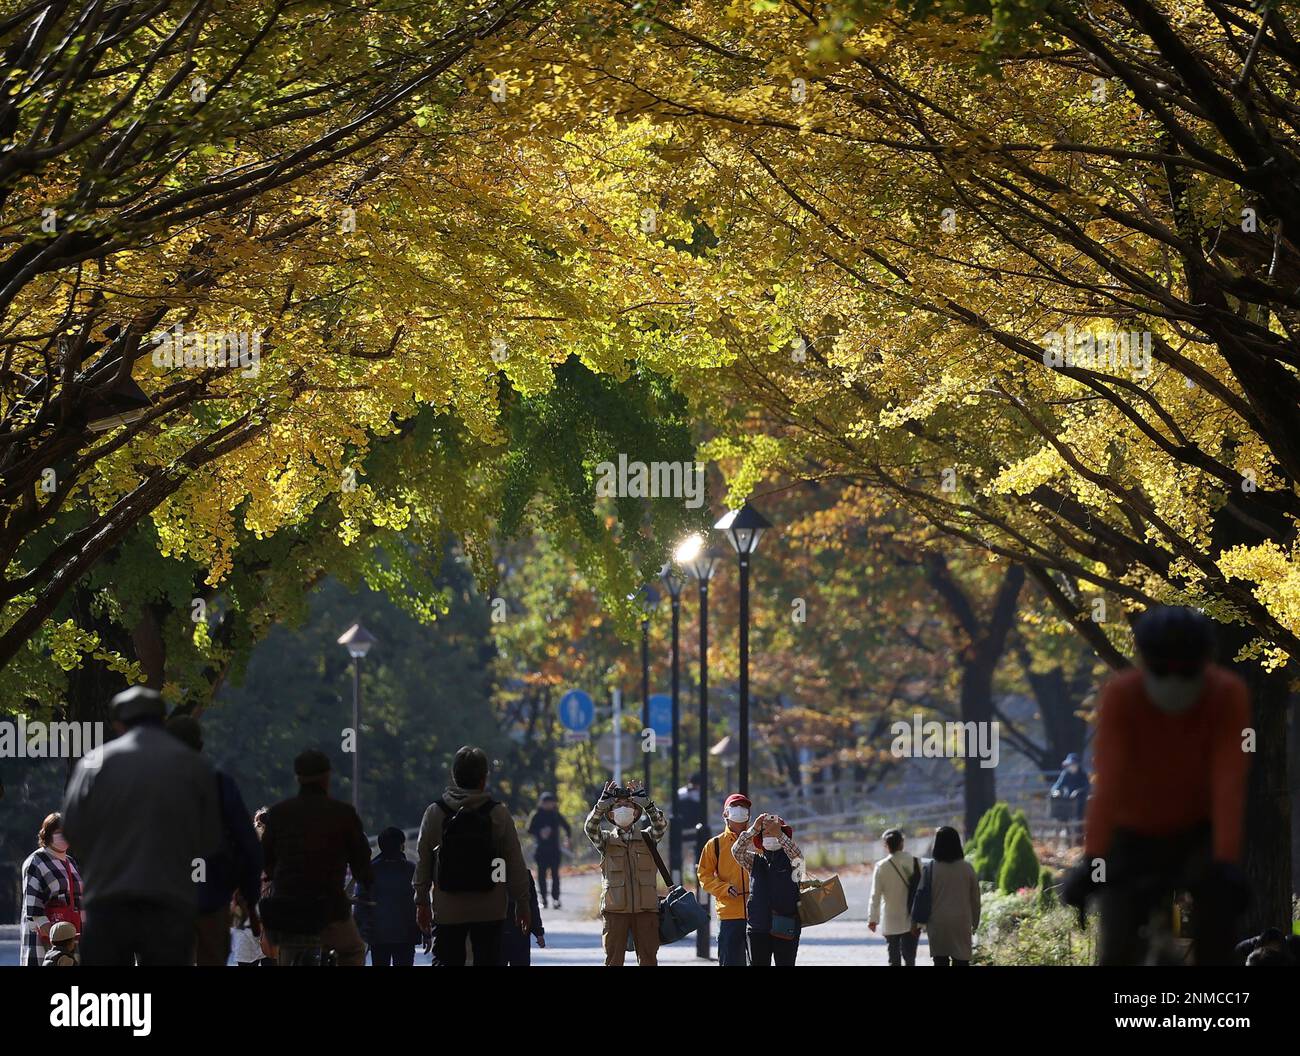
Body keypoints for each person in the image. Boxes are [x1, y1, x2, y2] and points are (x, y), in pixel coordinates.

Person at [1061, 607, 1252, 966]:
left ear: (1206, 662)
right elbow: (1109, 785)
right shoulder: (1122, 696)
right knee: (1117, 944)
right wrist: (1093, 860)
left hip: (1198, 829)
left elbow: (1228, 783)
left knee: (1216, 935)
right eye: (1162, 668)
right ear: (1145, 662)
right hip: (1132, 830)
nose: (1174, 679)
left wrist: (1226, 860)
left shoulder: (1228, 695)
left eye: (1187, 669)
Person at [61, 686, 222, 966]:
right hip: (169, 901)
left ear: (118, 723)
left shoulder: (94, 763)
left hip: (108, 899)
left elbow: (73, 830)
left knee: (109, 1006)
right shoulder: (193, 766)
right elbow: (210, 837)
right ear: (163, 719)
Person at [414, 745, 530, 967]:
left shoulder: (435, 812)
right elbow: (515, 863)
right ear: (483, 779)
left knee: (447, 961)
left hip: (448, 909)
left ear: (454, 776)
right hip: (491, 908)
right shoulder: (498, 813)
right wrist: (522, 902)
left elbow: (423, 861)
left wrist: (421, 902)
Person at [260, 749, 374, 966]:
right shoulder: (343, 813)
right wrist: (366, 879)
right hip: (329, 907)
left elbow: (266, 859)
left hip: (287, 908)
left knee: (285, 952)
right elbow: (361, 860)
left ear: (298, 777)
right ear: (327, 776)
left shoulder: (279, 813)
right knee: (354, 950)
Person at [166, 715, 263, 965]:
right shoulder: (220, 783)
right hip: (212, 897)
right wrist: (249, 895)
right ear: (200, 745)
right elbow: (248, 844)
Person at [584, 778, 667, 966]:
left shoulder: (647, 838)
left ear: (636, 811)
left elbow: (660, 826)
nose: (623, 809)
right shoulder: (606, 841)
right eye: (618, 806)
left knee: (648, 960)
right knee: (613, 960)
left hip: (646, 911)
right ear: (611, 815)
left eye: (628, 805)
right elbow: (590, 828)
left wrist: (647, 803)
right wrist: (600, 805)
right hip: (615, 912)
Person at [731, 811, 804, 966]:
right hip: (757, 927)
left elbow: (798, 858)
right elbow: (736, 851)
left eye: (773, 831)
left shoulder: (792, 859)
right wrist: (754, 829)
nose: (770, 835)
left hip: (786, 925)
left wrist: (780, 834)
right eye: (766, 833)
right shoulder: (754, 860)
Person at [20, 813, 84, 967]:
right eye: (58, 832)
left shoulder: (70, 862)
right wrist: (56, 941)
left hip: (70, 936)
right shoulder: (36, 861)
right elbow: (34, 909)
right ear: (47, 834)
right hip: (46, 937)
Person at [696, 792, 752, 965]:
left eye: (744, 807)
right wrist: (724, 889)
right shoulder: (715, 844)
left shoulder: (757, 841)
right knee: (730, 961)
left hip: (757, 913)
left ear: (749, 815)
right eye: (735, 807)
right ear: (725, 814)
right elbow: (704, 876)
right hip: (729, 914)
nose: (740, 810)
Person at [355, 826, 421, 966]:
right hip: (406, 934)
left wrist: (362, 930)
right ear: (402, 846)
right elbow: (420, 901)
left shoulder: (369, 870)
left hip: (377, 935)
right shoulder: (411, 869)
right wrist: (425, 932)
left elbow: (361, 902)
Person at [924, 826, 980, 966]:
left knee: (940, 961)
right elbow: (975, 899)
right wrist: (975, 922)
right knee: (961, 960)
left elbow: (921, 896)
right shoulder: (967, 868)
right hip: (961, 922)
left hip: (937, 922)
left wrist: (918, 923)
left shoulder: (930, 868)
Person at [868, 827, 921, 966]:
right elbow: (923, 890)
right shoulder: (916, 862)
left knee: (894, 959)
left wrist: (872, 919)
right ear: (902, 843)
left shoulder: (881, 866)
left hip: (891, 918)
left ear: (886, 846)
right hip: (912, 919)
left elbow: (875, 895)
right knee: (910, 959)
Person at [526, 792, 571, 909]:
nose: (548, 805)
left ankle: (556, 899)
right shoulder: (536, 814)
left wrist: (567, 838)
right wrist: (540, 832)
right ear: (541, 803)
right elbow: (529, 829)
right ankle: (543, 899)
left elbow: (567, 827)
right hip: (541, 850)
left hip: (554, 850)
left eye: (550, 802)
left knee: (555, 875)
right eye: (545, 803)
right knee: (541, 876)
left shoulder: (555, 814)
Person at [501, 869, 546, 965]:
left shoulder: (488, 873)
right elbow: (532, 904)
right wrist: (538, 931)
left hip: (495, 929)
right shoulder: (523, 874)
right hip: (519, 929)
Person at [1050, 753, 1090, 824]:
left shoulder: (1082, 774)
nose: (1072, 767)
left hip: (1081, 800)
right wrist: (1056, 792)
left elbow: (1087, 787)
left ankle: (1079, 829)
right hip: (1069, 800)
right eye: (1070, 765)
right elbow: (1057, 785)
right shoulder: (1065, 774)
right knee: (1060, 804)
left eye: (1074, 765)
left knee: (1082, 810)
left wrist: (1077, 791)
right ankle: (1064, 826)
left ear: (1078, 765)